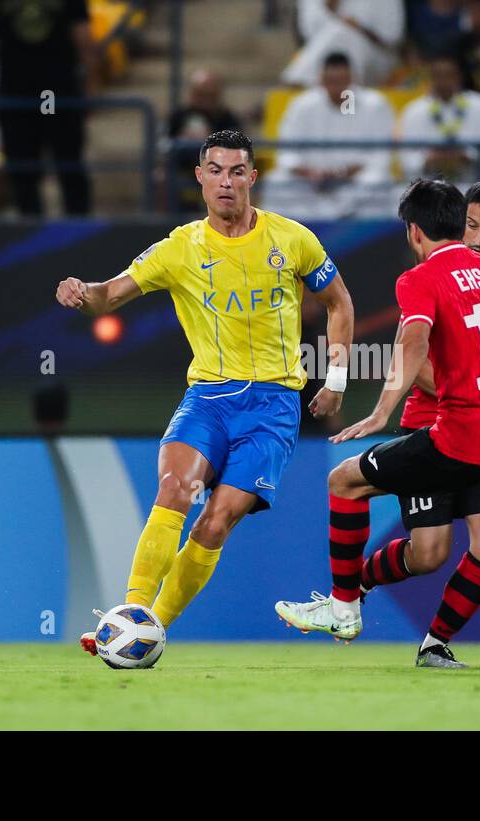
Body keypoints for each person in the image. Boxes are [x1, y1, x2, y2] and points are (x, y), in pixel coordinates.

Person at [274, 178, 480, 673]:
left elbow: (413, 348)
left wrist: (380, 410)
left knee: (350, 483)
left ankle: (354, 609)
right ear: (460, 223)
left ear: (413, 231)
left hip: (456, 431)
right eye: (475, 224)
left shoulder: (422, 279)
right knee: (434, 552)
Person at [57, 130, 355, 648]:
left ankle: (148, 633)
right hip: (208, 402)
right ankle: (129, 615)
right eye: (214, 170)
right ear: (199, 177)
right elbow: (110, 296)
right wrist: (84, 293)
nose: (225, 182)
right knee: (175, 491)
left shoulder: (293, 239)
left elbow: (339, 302)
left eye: (236, 171)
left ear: (252, 178)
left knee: (214, 523)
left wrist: (336, 380)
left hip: (273, 409)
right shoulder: (180, 248)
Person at [0, 0, 97, 216]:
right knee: (66, 162)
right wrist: (89, 91)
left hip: (20, 95)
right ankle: (79, 228)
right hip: (52, 95)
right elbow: (85, 42)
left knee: (26, 170)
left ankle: (32, 224)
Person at [264, 52, 394, 220]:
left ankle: (366, 240)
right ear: (321, 80)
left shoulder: (374, 105)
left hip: (355, 182)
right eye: (331, 82)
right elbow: (287, 154)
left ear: (352, 79)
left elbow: (380, 158)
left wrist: (341, 173)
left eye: (342, 82)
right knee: (276, 182)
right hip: (311, 183)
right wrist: (310, 173)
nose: (336, 88)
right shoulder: (302, 105)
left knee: (377, 181)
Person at [396, 51, 480, 184]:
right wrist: (428, 159)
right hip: (428, 185)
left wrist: (467, 156)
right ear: (431, 78)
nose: (443, 82)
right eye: (438, 76)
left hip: (474, 182)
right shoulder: (414, 110)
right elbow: (407, 158)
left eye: (449, 75)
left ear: (459, 76)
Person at [166, 68, 241, 211]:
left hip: (220, 170)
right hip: (183, 168)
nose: (205, 101)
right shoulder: (180, 116)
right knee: (161, 177)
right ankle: (166, 223)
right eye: (200, 95)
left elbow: (238, 148)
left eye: (210, 95)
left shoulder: (228, 119)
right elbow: (165, 144)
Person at [282, 0, 405, 87]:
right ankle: (337, 92)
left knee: (345, 34)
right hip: (327, 57)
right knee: (340, 31)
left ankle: (298, 79)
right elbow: (310, 35)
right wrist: (331, 6)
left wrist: (359, 28)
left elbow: (392, 38)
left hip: (376, 57)